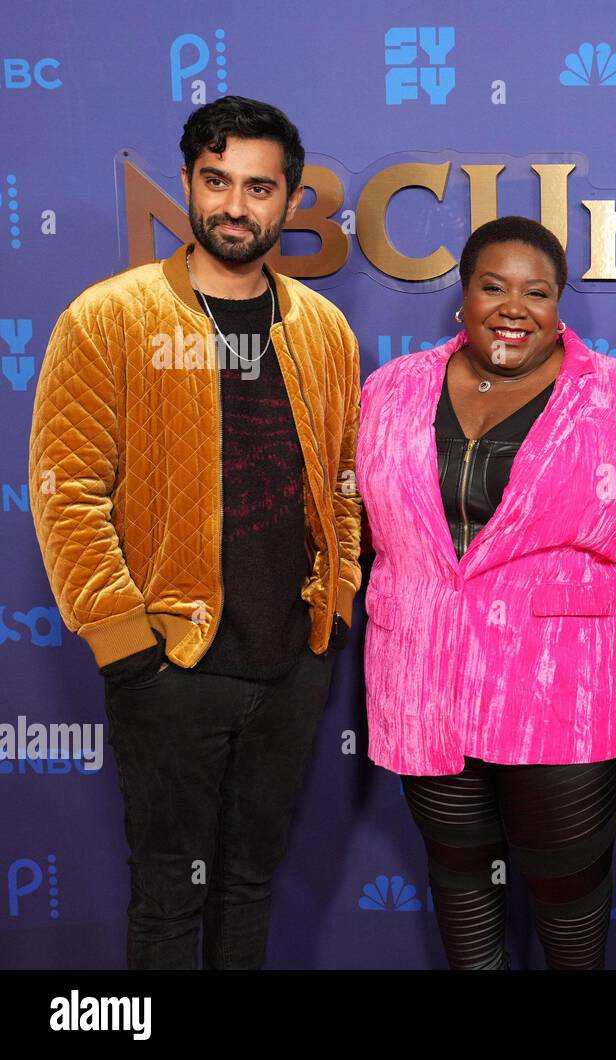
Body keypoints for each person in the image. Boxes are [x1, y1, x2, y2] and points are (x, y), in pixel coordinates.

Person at [28, 96, 361, 969]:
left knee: (250, 889)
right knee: (170, 898)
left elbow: (343, 487)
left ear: (290, 201)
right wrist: (129, 648)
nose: (235, 207)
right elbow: (66, 494)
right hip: (170, 667)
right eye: (216, 182)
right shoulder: (110, 318)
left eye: (259, 187)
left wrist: (334, 611)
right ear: (185, 184)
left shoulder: (322, 331)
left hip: (290, 666)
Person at [356, 215, 616, 970]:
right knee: (459, 882)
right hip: (423, 688)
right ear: (463, 295)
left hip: (564, 700)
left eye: (536, 292)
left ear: (559, 306)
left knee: (567, 899)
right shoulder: (389, 391)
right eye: (494, 286)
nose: (513, 307)